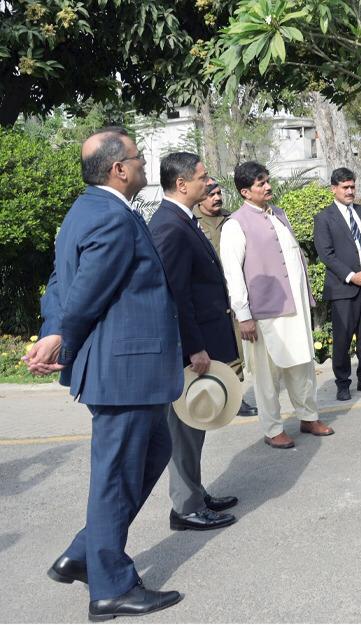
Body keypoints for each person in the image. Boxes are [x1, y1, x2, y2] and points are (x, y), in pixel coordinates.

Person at [24, 127, 185, 619]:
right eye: (137, 158)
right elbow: (86, 288)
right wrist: (60, 334)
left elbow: (57, 281)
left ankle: (83, 552)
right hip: (125, 369)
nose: (142, 165)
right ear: (119, 169)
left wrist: (56, 325)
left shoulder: (85, 211)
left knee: (154, 450)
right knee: (115, 476)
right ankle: (110, 585)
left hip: (124, 368)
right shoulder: (111, 217)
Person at [148, 152, 240, 532]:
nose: (208, 182)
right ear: (182, 185)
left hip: (201, 338)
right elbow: (174, 294)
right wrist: (193, 347)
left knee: (194, 426)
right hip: (190, 347)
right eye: (202, 177)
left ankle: (195, 494)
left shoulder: (183, 220)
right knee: (184, 429)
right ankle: (185, 508)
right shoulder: (170, 225)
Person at [219, 161, 334, 449]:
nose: (268, 186)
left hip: (295, 307)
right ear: (245, 191)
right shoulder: (236, 224)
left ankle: (308, 416)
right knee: (267, 375)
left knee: (302, 365)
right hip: (262, 314)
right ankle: (272, 429)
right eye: (260, 183)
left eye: (267, 180)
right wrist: (244, 316)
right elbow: (233, 273)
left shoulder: (279, 214)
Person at [314, 167, 361, 401]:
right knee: (343, 338)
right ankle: (343, 383)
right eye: (345, 187)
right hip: (343, 288)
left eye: (352, 187)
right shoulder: (324, 217)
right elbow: (326, 254)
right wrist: (352, 276)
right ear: (333, 189)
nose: (349, 191)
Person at [195, 177, 257, 417]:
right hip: (208, 296)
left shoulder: (232, 219)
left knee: (234, 349)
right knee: (214, 350)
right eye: (211, 194)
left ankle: (234, 397)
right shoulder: (193, 221)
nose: (217, 198)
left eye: (219, 193)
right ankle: (214, 397)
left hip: (234, 292)